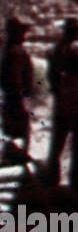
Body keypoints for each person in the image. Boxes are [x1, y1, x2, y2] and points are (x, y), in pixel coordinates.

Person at [45, 17, 78, 192]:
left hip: (61, 102)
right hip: (75, 102)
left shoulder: (54, 51)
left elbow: (52, 79)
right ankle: (77, 183)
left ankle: (51, 179)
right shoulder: (75, 50)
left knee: (57, 144)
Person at [1, 18, 34, 165]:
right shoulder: (12, 52)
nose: (24, 36)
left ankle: (15, 156)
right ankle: (16, 157)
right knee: (16, 130)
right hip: (12, 98)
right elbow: (14, 79)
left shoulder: (11, 50)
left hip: (12, 98)